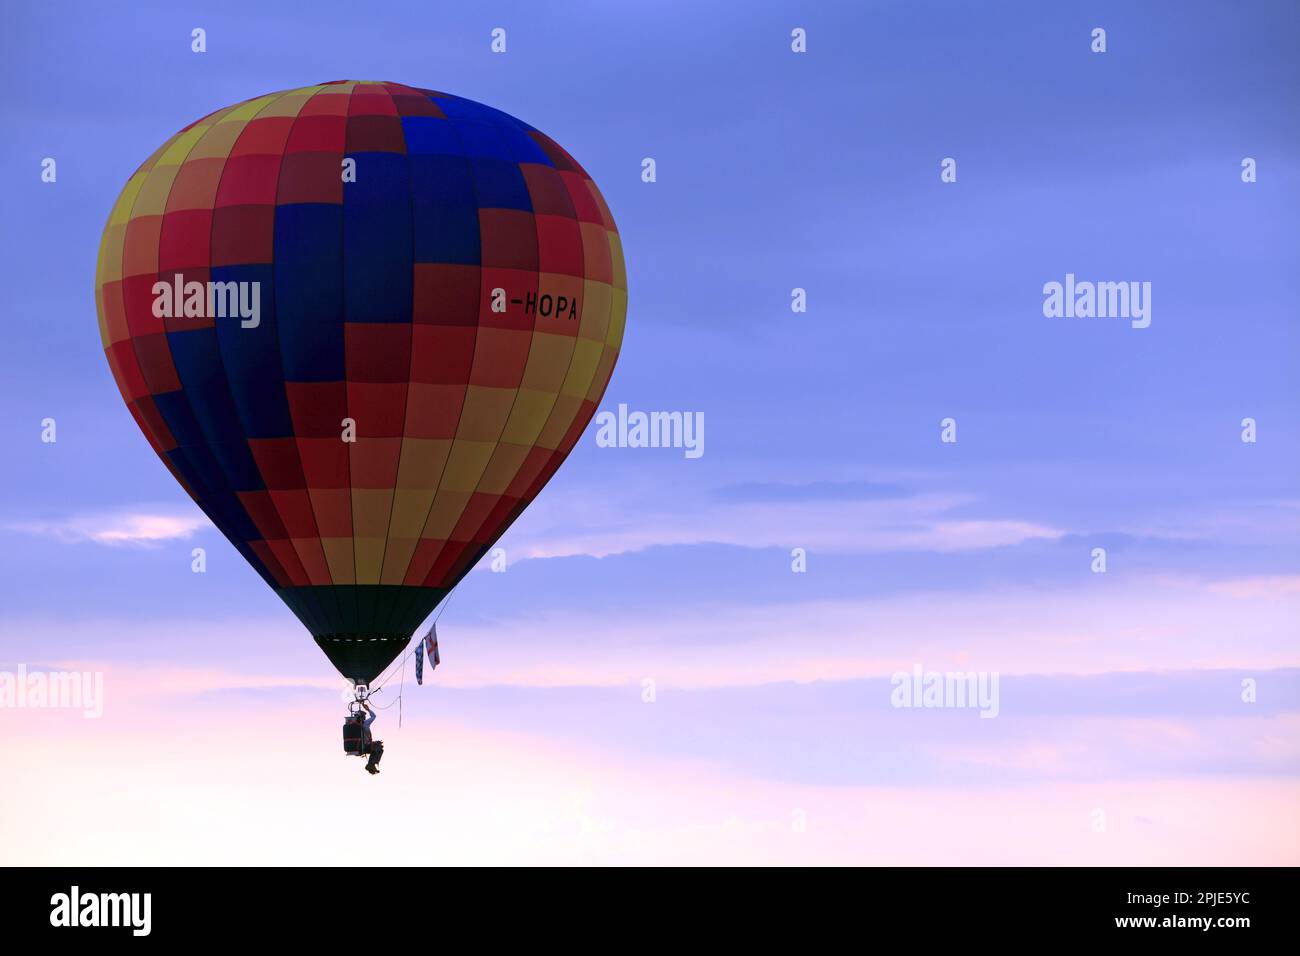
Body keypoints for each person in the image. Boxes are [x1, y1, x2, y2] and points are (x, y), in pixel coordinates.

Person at [360, 700, 383, 775]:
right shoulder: (365, 724)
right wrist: (368, 709)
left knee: (376, 748)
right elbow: (373, 716)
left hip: (360, 747)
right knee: (379, 749)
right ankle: (371, 765)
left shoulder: (354, 725)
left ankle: (371, 765)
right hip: (365, 746)